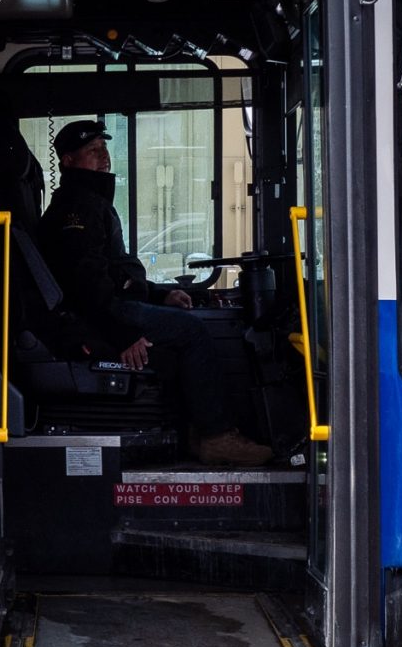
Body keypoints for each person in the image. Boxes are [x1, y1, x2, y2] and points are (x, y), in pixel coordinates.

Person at [35, 120, 272, 467]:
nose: (104, 158)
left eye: (104, 150)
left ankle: (193, 432)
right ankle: (216, 436)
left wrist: (161, 295)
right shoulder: (77, 209)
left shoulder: (91, 201)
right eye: (93, 152)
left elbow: (115, 274)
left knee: (185, 321)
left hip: (110, 305)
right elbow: (85, 286)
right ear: (68, 161)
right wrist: (124, 336)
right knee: (192, 332)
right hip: (96, 316)